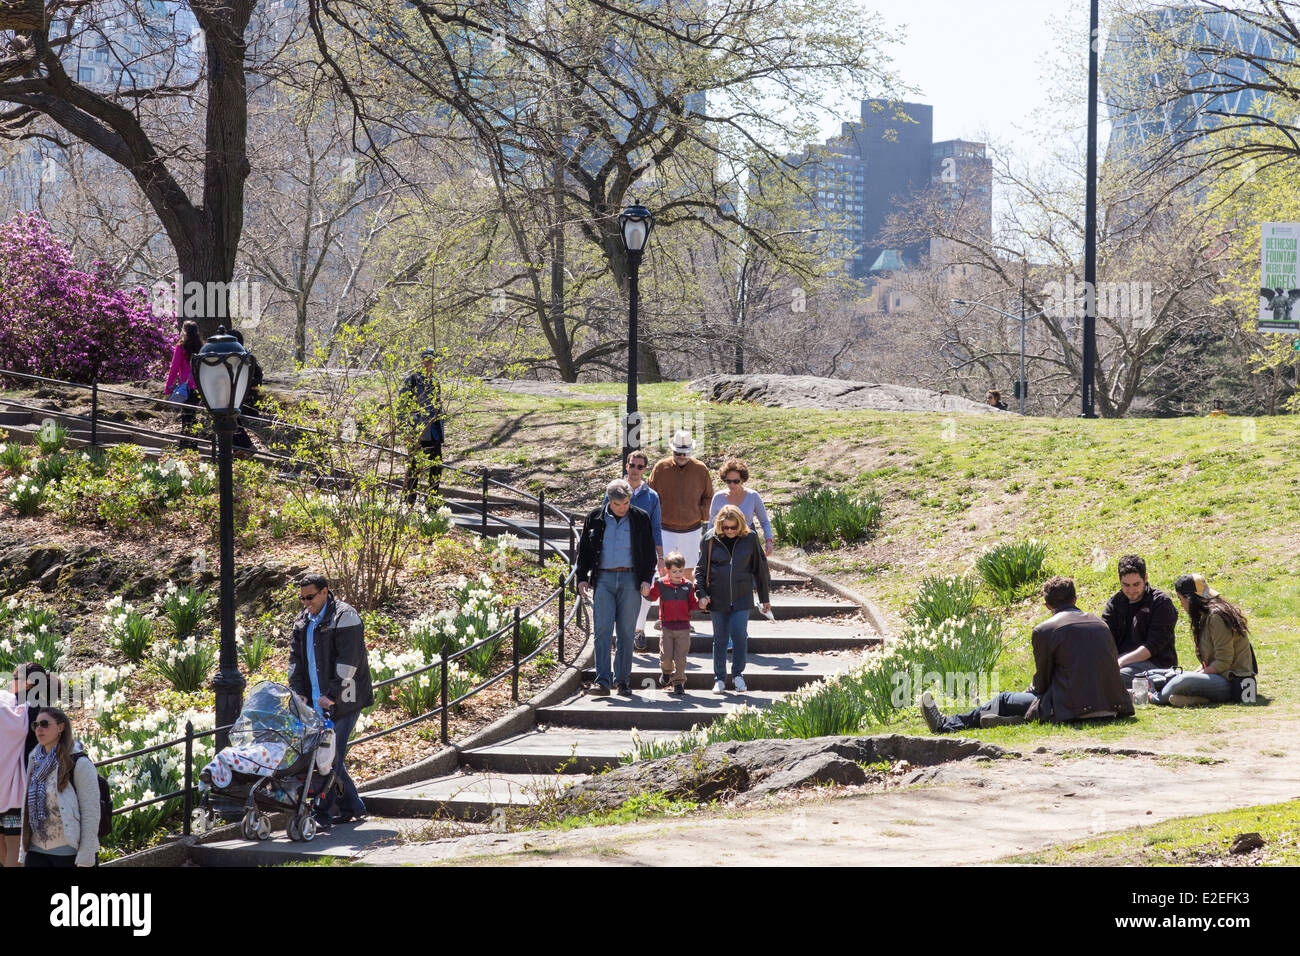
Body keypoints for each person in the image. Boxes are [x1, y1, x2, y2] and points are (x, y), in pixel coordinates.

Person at [922, 576, 1135, 732]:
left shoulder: (1045, 630)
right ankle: (1014, 718)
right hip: (1111, 705)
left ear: (1047, 604)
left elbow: (1042, 681)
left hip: (1072, 708)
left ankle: (946, 724)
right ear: (1076, 599)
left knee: (1004, 699)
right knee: (1027, 702)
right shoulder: (1100, 624)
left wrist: (1032, 689)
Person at [288, 574, 374, 829]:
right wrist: (298, 691)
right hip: (315, 701)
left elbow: (349, 661)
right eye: (302, 598)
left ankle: (320, 814)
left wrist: (332, 696)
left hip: (344, 700)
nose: (306, 603)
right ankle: (352, 806)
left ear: (325, 592)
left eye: (310, 597)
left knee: (329, 756)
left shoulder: (345, 616)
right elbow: (296, 662)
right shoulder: (303, 621)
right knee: (329, 757)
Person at [575, 479, 657, 695]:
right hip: (603, 579)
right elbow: (584, 550)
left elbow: (649, 552)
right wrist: (582, 577)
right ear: (609, 501)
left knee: (626, 632)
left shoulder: (640, 517)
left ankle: (622, 681)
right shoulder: (595, 517)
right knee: (602, 630)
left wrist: (647, 579)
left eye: (626, 503)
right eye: (617, 504)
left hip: (631, 579)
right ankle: (602, 681)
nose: (622, 508)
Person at [696, 504, 771, 694]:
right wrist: (702, 593)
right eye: (726, 527)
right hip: (717, 597)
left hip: (741, 596)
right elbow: (701, 569)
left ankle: (738, 674)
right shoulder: (709, 538)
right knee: (720, 639)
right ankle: (719, 678)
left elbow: (760, 569)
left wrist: (764, 597)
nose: (729, 531)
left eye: (733, 527)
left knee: (739, 636)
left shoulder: (750, 538)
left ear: (740, 525)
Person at [1152, 574, 1258, 706]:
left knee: (1183, 680)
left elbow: (1224, 662)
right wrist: (1198, 672)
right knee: (1153, 674)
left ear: (1189, 598)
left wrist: (1197, 675)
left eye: (1180, 599)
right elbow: (1209, 662)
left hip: (1231, 681)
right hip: (1217, 677)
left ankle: (1153, 697)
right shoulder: (1205, 617)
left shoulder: (1216, 617)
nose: (1181, 604)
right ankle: (1197, 700)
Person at [19, 707, 99, 867]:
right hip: (36, 850)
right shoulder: (34, 759)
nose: (39, 729)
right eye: (36, 725)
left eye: (44, 724)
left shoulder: (78, 763)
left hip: (69, 852)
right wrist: (23, 849)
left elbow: (91, 812)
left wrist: (86, 855)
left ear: (61, 727)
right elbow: (26, 807)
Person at [1101, 554, 1179, 687]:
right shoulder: (1114, 603)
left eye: (1136, 584)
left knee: (1116, 677)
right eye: (1126, 585)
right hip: (1121, 662)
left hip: (1156, 663)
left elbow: (1152, 647)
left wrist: (1120, 662)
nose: (1131, 590)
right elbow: (1104, 638)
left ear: (1146, 578)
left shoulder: (1160, 602)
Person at [615, 450, 664, 651]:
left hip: (645, 553)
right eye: (632, 465)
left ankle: (639, 630)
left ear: (645, 470)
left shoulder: (651, 496)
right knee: (622, 593)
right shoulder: (615, 490)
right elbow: (602, 519)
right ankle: (622, 633)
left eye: (640, 466)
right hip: (619, 551)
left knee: (646, 592)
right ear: (627, 466)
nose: (635, 469)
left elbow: (657, 527)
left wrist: (661, 556)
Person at [648, 429, 713, 583]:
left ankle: (687, 606)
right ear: (672, 450)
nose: (682, 456)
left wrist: (699, 514)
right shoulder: (660, 468)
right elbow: (651, 495)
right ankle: (667, 605)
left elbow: (709, 496)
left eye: (686, 453)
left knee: (688, 571)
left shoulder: (701, 469)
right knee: (665, 572)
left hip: (691, 529)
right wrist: (654, 517)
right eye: (678, 453)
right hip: (665, 529)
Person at [1, 663, 46, 868]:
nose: (11, 682)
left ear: (29, 684)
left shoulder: (10, 707)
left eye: (15, 678)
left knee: (3, 846)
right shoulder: (35, 711)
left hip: (4, 788)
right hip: (17, 792)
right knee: (13, 846)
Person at [647, 552, 699, 695]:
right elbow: (652, 596)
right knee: (666, 656)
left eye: (681, 571)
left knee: (681, 658)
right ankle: (666, 672)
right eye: (674, 571)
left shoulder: (688, 586)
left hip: (683, 627)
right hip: (667, 627)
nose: (678, 574)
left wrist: (702, 604)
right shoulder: (661, 584)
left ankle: (678, 683)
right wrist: (645, 592)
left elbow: (692, 604)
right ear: (667, 570)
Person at [400, 348, 445, 503]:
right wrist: (406, 431)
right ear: (421, 361)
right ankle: (409, 503)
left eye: (431, 360)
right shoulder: (412, 380)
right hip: (417, 433)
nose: (428, 363)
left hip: (434, 432)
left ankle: (432, 505)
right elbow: (402, 407)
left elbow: (438, 404)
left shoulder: (435, 380)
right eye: (426, 360)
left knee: (436, 468)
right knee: (414, 469)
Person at [709, 458, 774, 558]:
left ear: (742, 479)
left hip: (747, 542)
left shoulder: (753, 496)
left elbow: (764, 521)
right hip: (724, 544)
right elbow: (711, 524)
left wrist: (769, 540)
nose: (732, 485)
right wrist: (708, 544)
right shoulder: (718, 497)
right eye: (728, 481)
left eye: (736, 481)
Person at [164, 320, 203, 428]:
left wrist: (168, 387)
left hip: (186, 387)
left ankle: (187, 440)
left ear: (184, 332)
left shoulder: (181, 347)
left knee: (186, 415)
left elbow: (174, 368)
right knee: (192, 414)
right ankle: (192, 440)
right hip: (199, 386)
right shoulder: (202, 348)